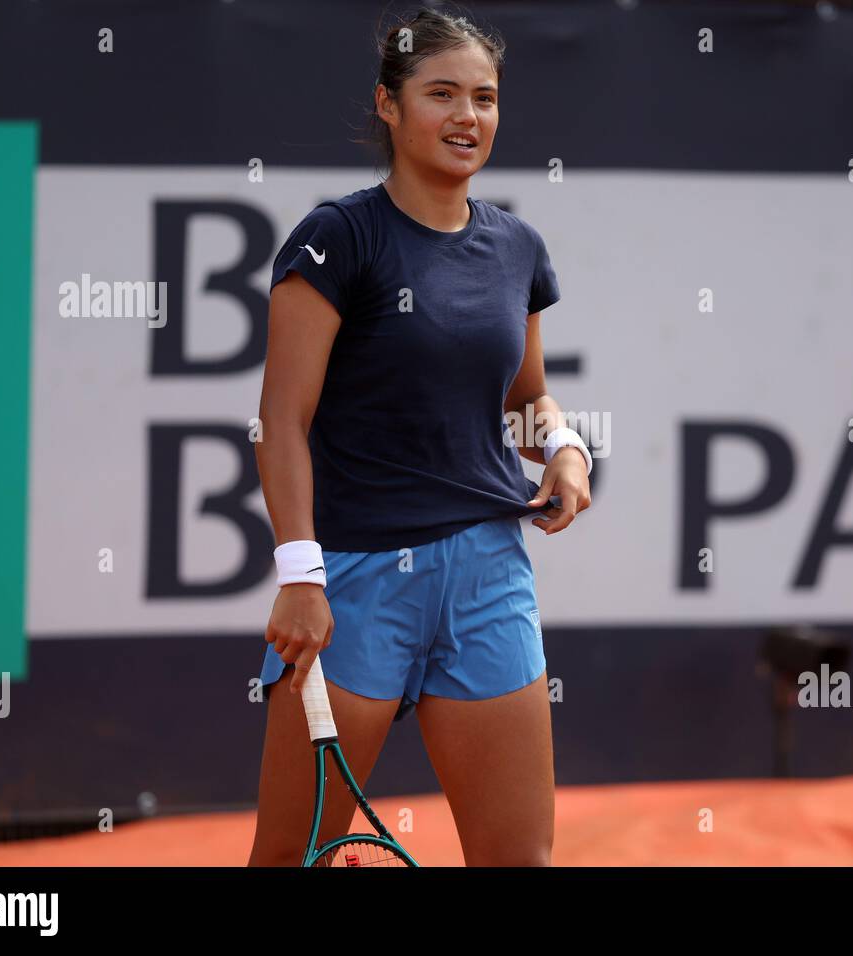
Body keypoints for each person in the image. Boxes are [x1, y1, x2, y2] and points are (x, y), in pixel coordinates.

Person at [247, 8, 591, 867]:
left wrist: (565, 447)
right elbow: (279, 422)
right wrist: (300, 574)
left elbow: (526, 401)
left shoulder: (518, 249)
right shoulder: (337, 240)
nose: (467, 116)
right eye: (441, 94)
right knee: (294, 858)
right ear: (389, 106)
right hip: (355, 581)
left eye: (484, 97)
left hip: (488, 575)